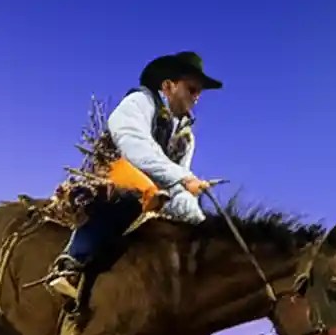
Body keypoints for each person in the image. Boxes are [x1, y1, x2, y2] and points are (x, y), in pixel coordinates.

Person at [47, 51, 223, 300]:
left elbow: (176, 180)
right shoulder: (140, 102)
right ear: (168, 86)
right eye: (192, 89)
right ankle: (70, 264)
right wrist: (183, 179)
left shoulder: (185, 137)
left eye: (199, 92)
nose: (197, 97)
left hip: (157, 186)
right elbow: (136, 148)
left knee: (184, 224)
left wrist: (199, 222)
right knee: (132, 197)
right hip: (117, 167)